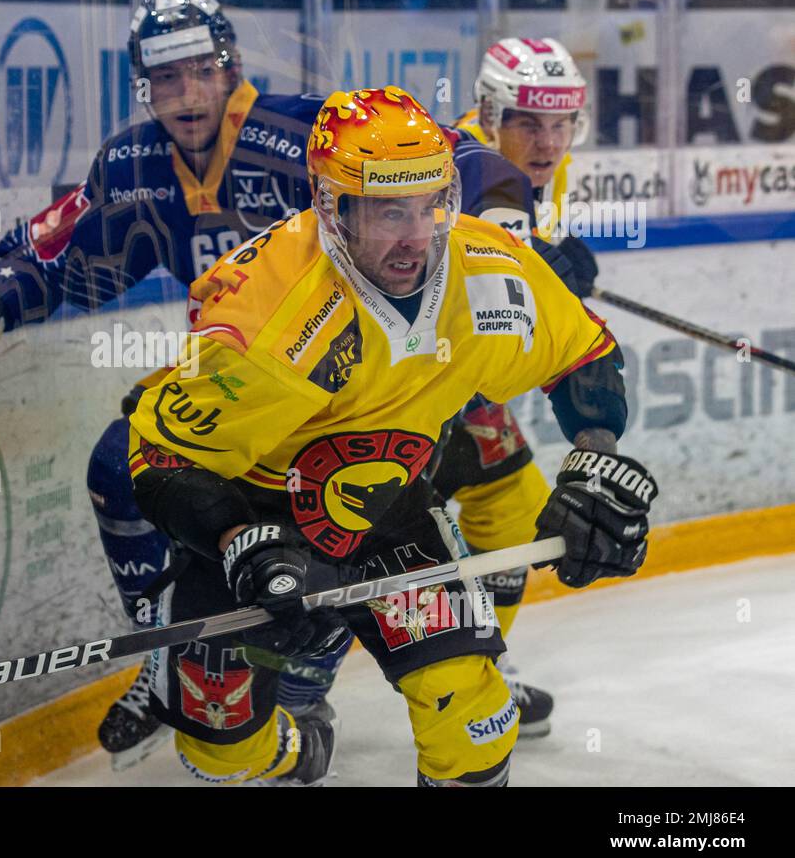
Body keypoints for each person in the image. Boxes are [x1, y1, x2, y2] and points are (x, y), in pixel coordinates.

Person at [124, 86, 656, 785]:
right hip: (254, 517)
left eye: (432, 204)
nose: (415, 236)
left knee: (473, 721)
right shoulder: (263, 314)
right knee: (224, 753)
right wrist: (237, 543)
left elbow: (583, 354)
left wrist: (596, 457)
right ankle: (292, 747)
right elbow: (159, 452)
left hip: (388, 506)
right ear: (331, 208)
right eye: (386, 210)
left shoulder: (490, 272)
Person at [0, 0, 337, 769]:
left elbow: (430, 173)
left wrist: (518, 225)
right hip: (236, 392)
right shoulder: (136, 164)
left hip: (349, 388)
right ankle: (165, 654)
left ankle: (372, 680)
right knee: (123, 465)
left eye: (200, 73)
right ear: (142, 86)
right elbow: (64, 254)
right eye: (163, 79)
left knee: (376, 514)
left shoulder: (304, 136)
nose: (184, 96)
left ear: (231, 67)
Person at [436, 36, 602, 735]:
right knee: (366, 536)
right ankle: (298, 688)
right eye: (530, 121)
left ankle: (479, 673)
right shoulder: (461, 167)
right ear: (488, 111)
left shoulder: (539, 174)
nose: (548, 140)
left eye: (561, 122)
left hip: (459, 382)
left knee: (514, 514)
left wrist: (548, 271)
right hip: (396, 381)